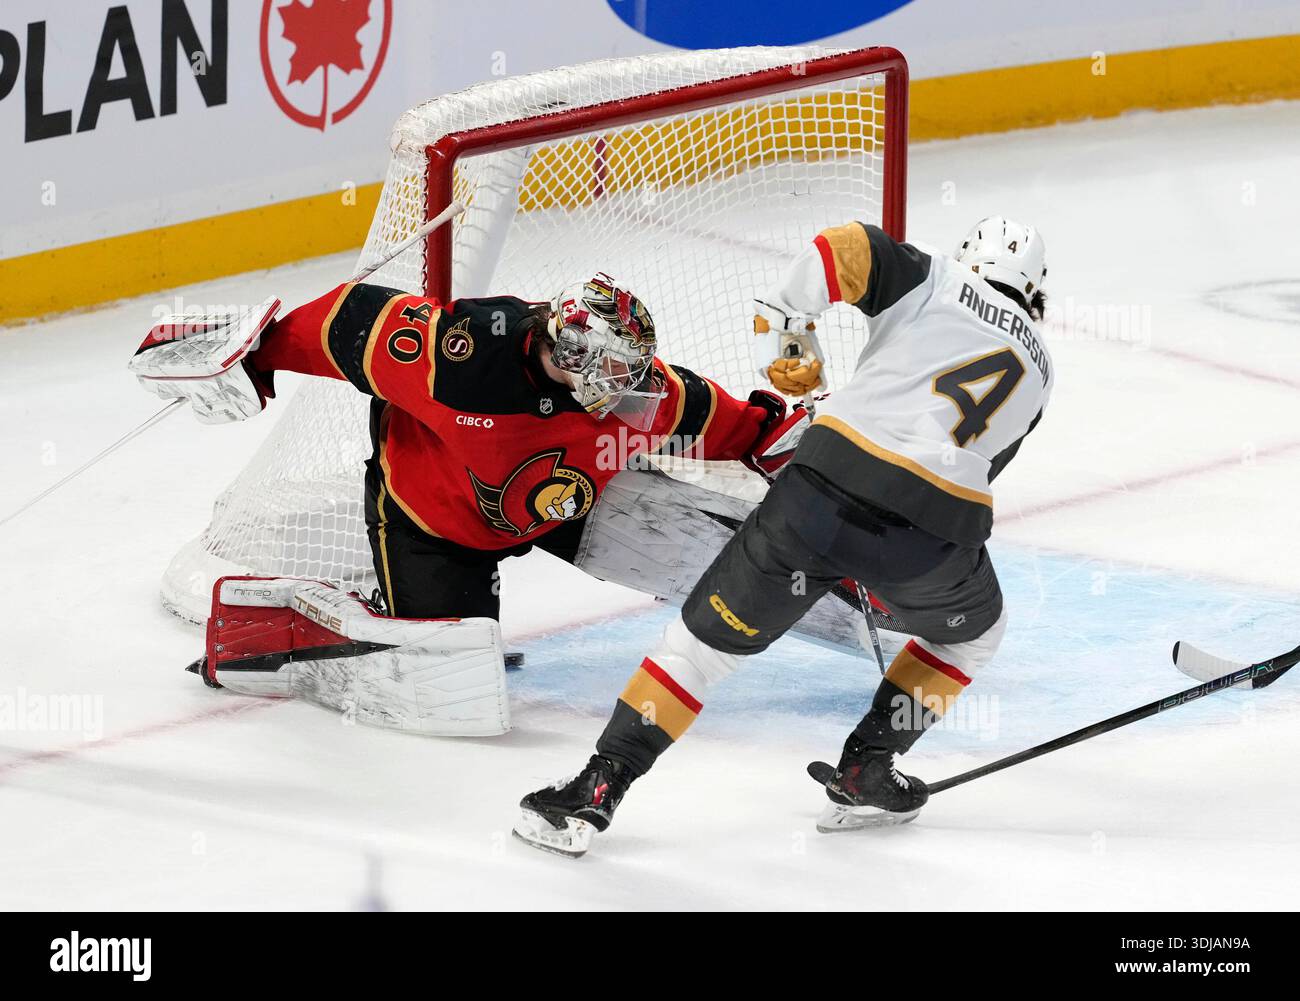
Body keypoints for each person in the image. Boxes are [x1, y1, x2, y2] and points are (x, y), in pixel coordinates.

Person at [513, 217, 1054, 856]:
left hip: (818, 491)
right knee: (973, 633)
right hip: (930, 537)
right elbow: (975, 467)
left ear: (970, 256)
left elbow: (841, 249)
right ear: (1035, 292)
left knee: (698, 649)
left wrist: (788, 336)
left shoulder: (935, 275)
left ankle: (595, 790)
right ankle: (868, 767)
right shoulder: (1043, 369)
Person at [130, 272, 802, 733]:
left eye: (635, 365)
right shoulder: (459, 355)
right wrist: (254, 353)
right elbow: (349, 321)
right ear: (567, 354)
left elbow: (698, 410)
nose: (635, 383)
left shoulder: (630, 393)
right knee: (457, 688)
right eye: (619, 368)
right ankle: (286, 631)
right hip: (433, 515)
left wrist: (766, 434)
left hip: (563, 504)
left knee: (723, 552)